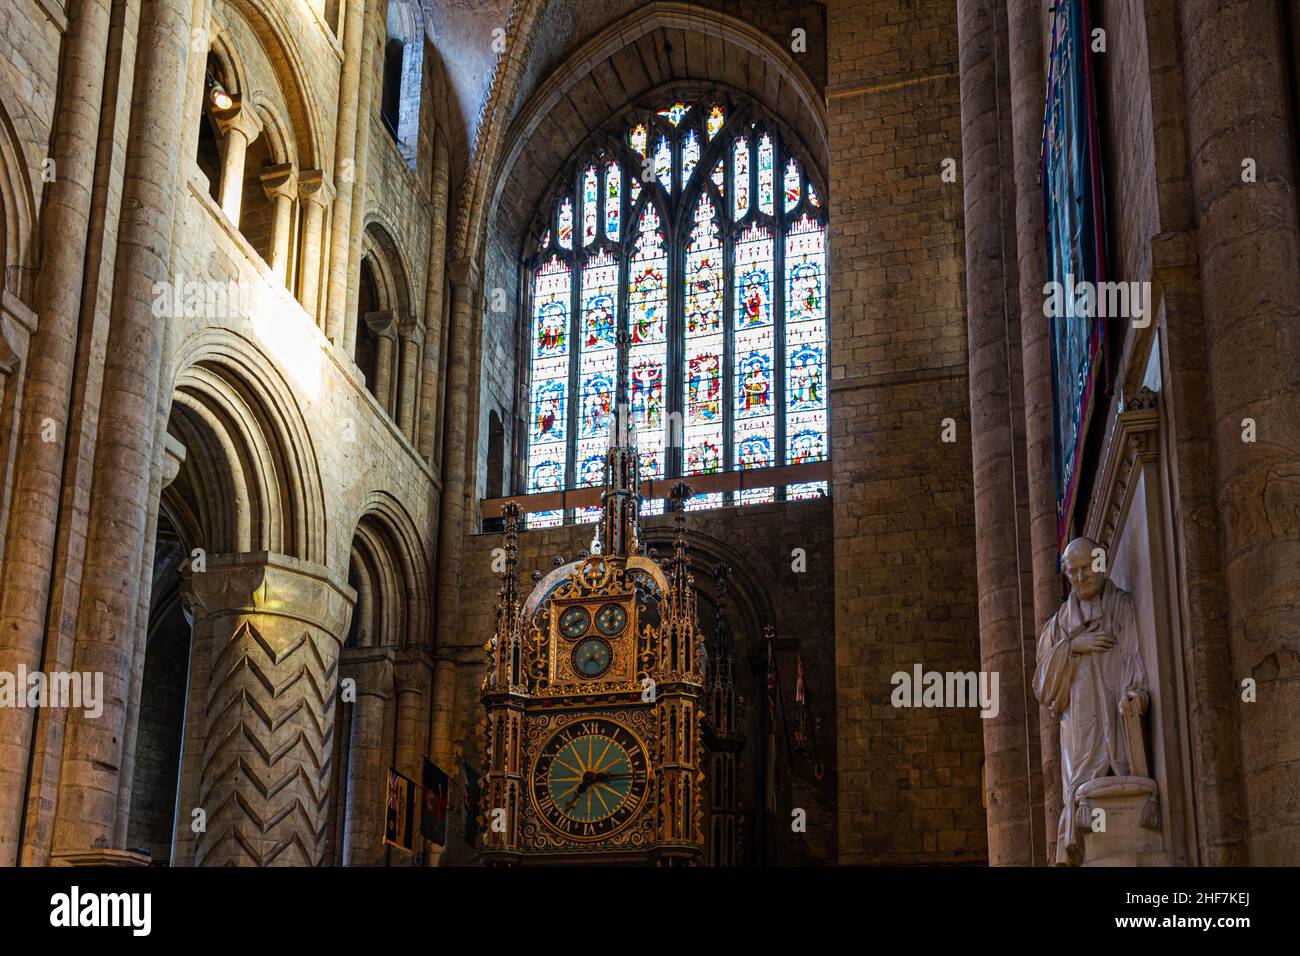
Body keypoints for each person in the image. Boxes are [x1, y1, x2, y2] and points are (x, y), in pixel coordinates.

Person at [1034, 535, 1149, 865]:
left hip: (1115, 713)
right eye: (1074, 572)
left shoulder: (1120, 606)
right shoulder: (1058, 626)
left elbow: (1134, 658)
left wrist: (1135, 695)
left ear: (1101, 564)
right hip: (1080, 723)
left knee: (1119, 779)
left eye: (1087, 568)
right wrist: (1073, 646)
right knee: (1081, 788)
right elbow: (1042, 686)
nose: (1081, 578)